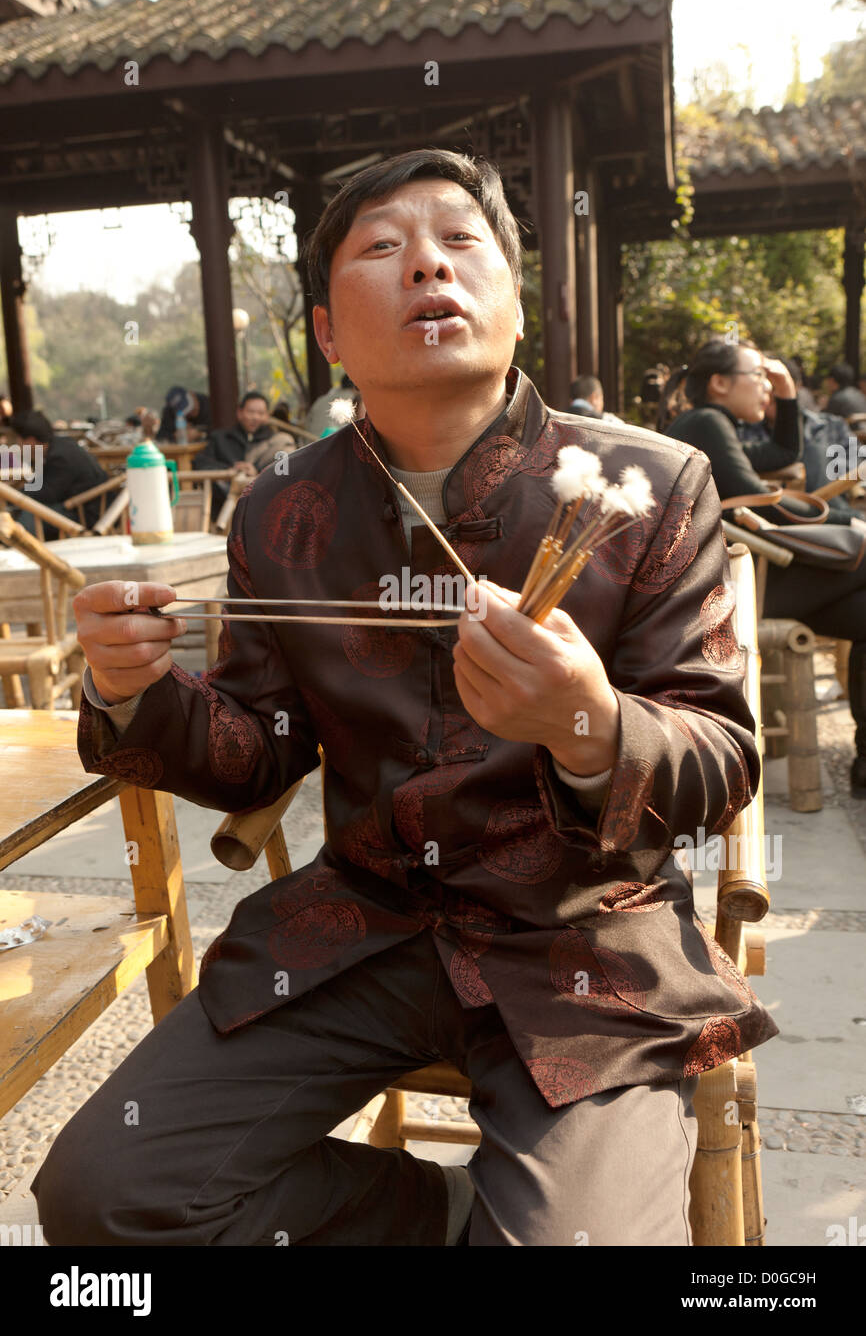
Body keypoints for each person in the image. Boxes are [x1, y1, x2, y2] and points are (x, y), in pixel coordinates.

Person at [34, 148, 779, 1248]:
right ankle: (437, 1212)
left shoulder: (649, 485)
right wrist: (132, 688)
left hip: (582, 939)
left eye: (457, 241)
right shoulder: (283, 507)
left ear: (514, 306)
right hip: (366, 925)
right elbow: (254, 752)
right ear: (330, 333)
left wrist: (585, 720)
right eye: (382, 249)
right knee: (101, 1198)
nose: (425, 264)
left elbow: (719, 760)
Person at [663, 338, 866, 797]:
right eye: (758, 376)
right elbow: (768, 507)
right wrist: (852, 521)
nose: (766, 388)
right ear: (719, 383)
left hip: (748, 579)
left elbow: (781, 456)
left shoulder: (710, 424)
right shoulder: (707, 421)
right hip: (736, 589)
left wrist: (788, 392)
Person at [191, 391, 297, 522]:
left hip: (265, 509)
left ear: (267, 416)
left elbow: (287, 472)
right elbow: (201, 463)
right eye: (251, 412)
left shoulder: (279, 442)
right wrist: (230, 470)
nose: (255, 417)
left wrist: (257, 473)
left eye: (260, 413)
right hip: (225, 509)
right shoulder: (220, 438)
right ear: (239, 413)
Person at [7, 409, 109, 538]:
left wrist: (12, 496)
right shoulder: (59, 446)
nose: (18, 444)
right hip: (78, 508)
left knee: (29, 517)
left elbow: (47, 493)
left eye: (19, 439)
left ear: (31, 440)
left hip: (88, 516)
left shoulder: (60, 457)